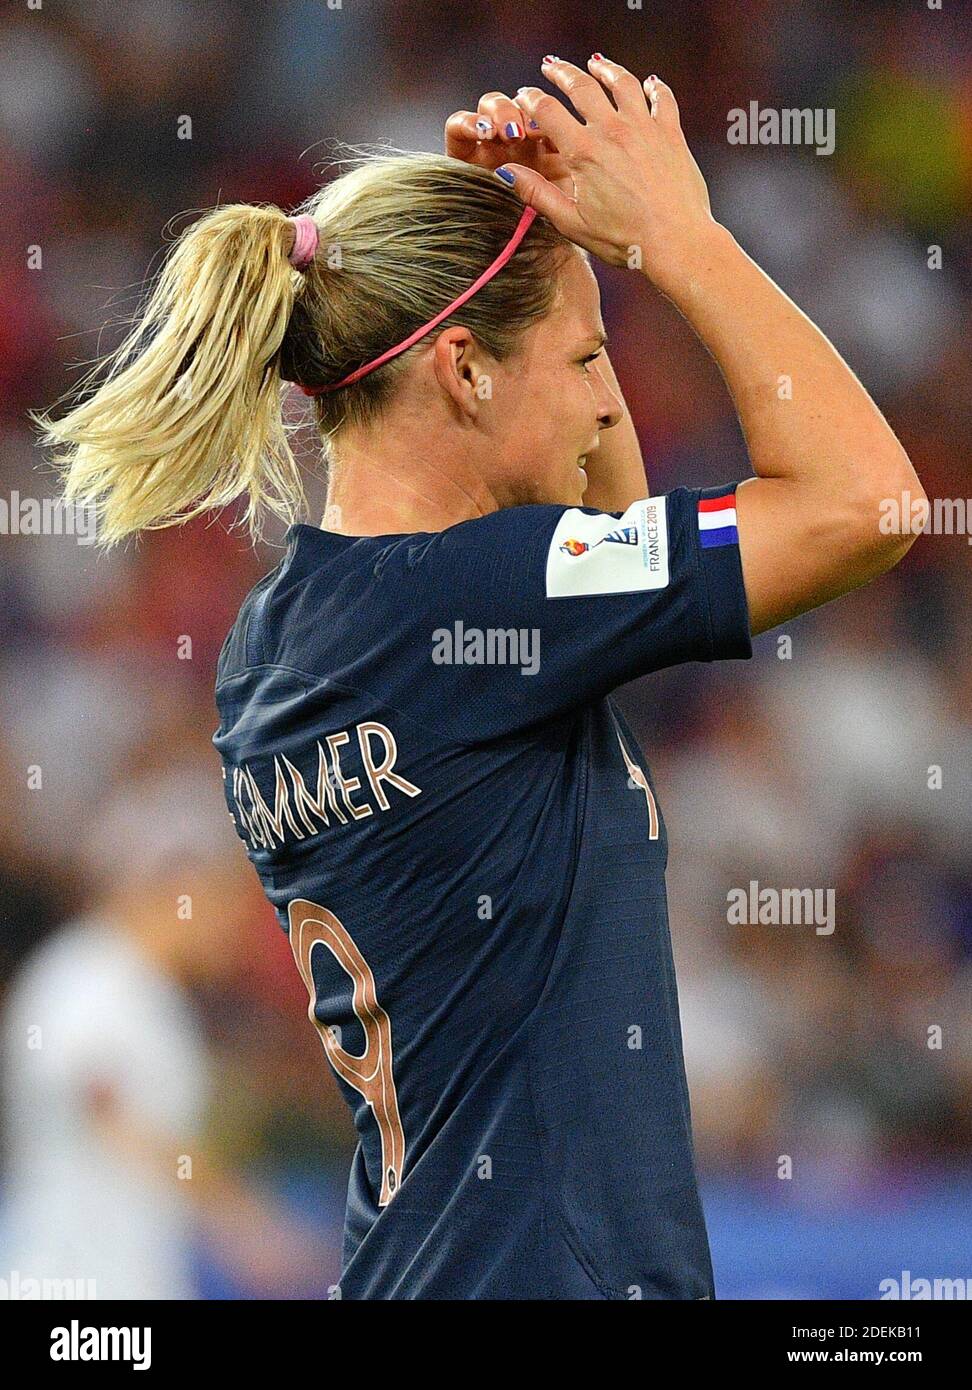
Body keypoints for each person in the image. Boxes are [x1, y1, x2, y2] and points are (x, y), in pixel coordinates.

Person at [34, 56, 925, 1299]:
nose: (599, 406)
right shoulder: (486, 596)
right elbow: (869, 506)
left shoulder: (277, 642)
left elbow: (619, 536)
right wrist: (681, 238)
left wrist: (560, 274)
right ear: (462, 370)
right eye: (580, 364)